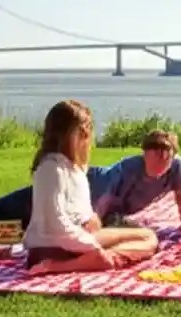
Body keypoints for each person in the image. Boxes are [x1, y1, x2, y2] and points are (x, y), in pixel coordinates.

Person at [0, 129, 181, 236]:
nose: (162, 159)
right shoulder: (129, 168)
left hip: (96, 207)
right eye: (156, 153)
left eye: (167, 155)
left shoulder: (177, 168)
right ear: (144, 153)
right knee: (30, 202)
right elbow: (102, 201)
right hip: (85, 187)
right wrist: (92, 229)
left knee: (33, 221)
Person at [21, 99, 158, 275]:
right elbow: (54, 224)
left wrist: (91, 218)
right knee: (144, 240)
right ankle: (60, 266)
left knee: (148, 236)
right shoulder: (51, 169)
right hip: (56, 245)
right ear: (67, 133)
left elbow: (74, 208)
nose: (87, 137)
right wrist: (90, 245)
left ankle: (96, 260)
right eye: (82, 131)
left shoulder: (72, 167)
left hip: (78, 238)